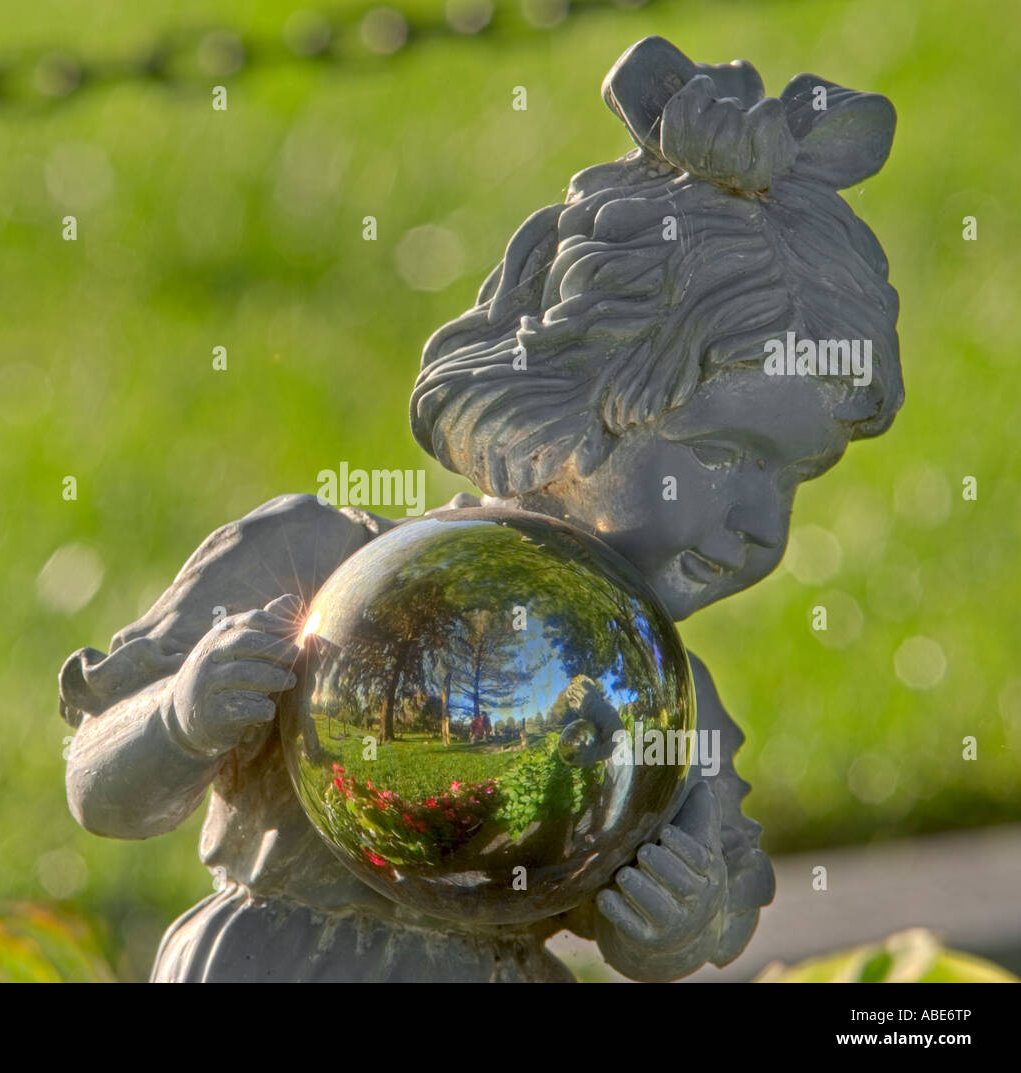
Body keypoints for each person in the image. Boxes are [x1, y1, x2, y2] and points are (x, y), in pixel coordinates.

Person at [58, 37, 901, 982]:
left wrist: (676, 919)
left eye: (794, 477)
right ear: (570, 403)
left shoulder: (653, 698)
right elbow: (103, 792)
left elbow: (700, 924)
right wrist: (182, 716)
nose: (761, 521)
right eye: (721, 453)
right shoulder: (311, 569)